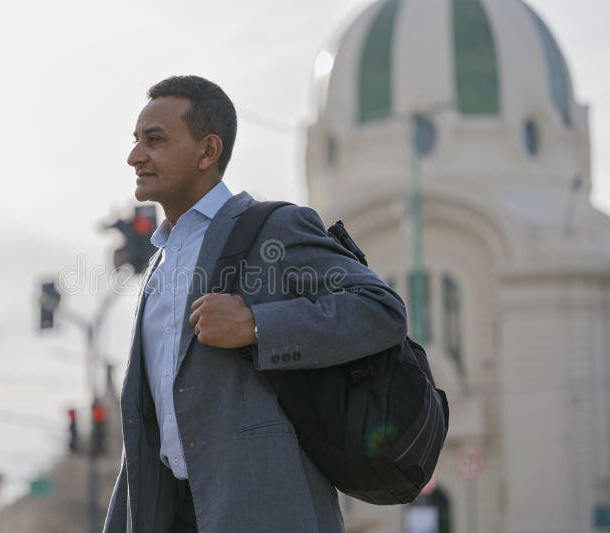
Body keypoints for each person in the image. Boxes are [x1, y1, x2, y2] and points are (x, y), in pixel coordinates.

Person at [103, 75, 408, 533]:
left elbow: (380, 310)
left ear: (208, 151)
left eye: (155, 140)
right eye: (136, 140)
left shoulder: (273, 229)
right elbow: (149, 424)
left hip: (265, 511)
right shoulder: (158, 265)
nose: (135, 156)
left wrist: (256, 326)